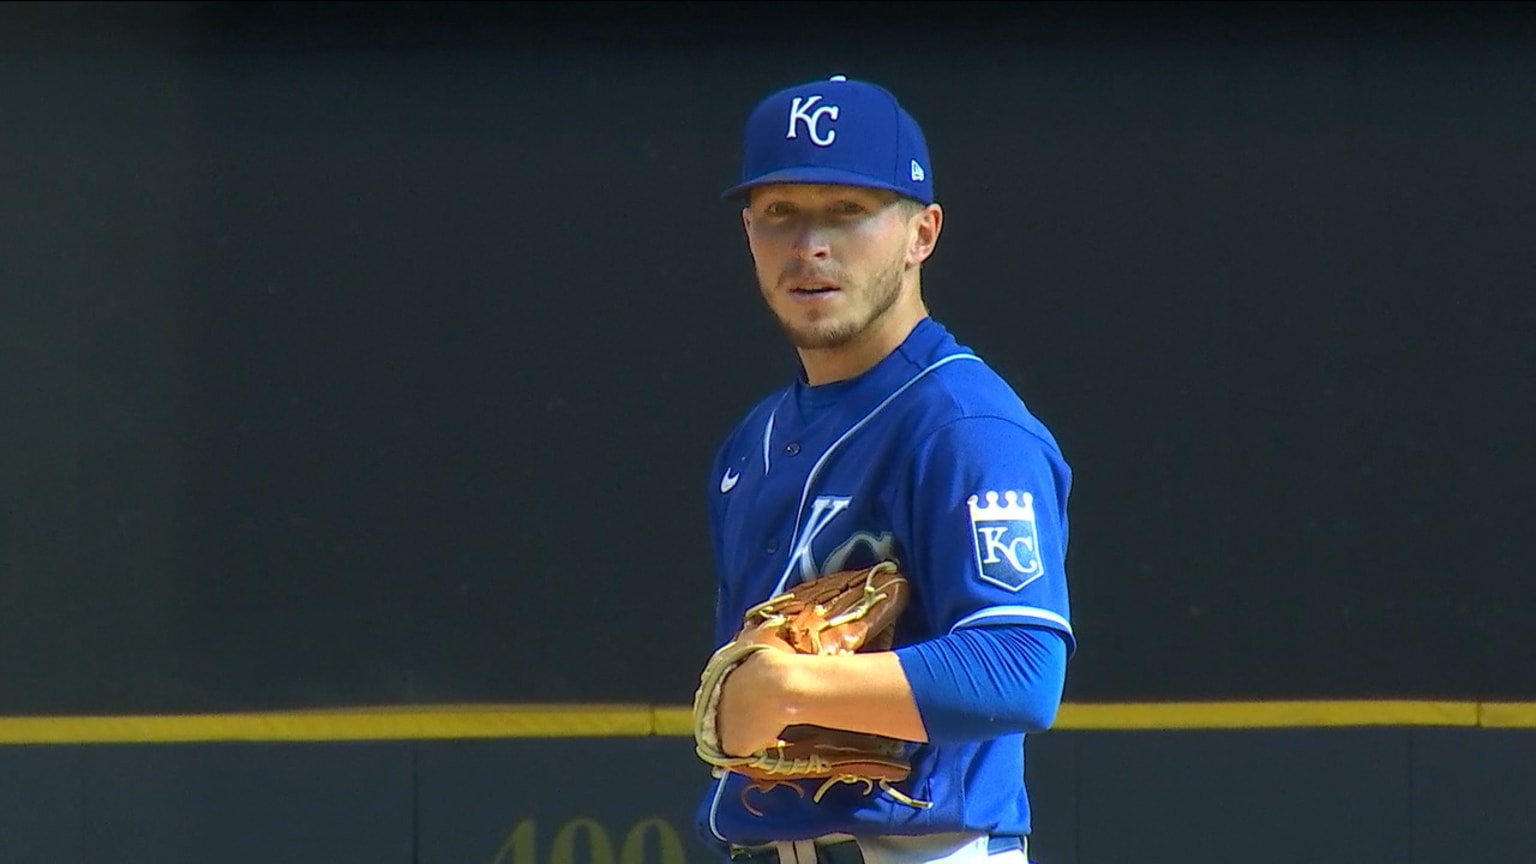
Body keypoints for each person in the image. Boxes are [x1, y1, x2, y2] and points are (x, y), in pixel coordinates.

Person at [693, 74, 1076, 864]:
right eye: (780, 213)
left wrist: (793, 689)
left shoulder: (965, 423)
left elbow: (1020, 669)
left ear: (921, 234)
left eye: (848, 211)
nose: (810, 246)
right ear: (748, 232)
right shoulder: (751, 442)